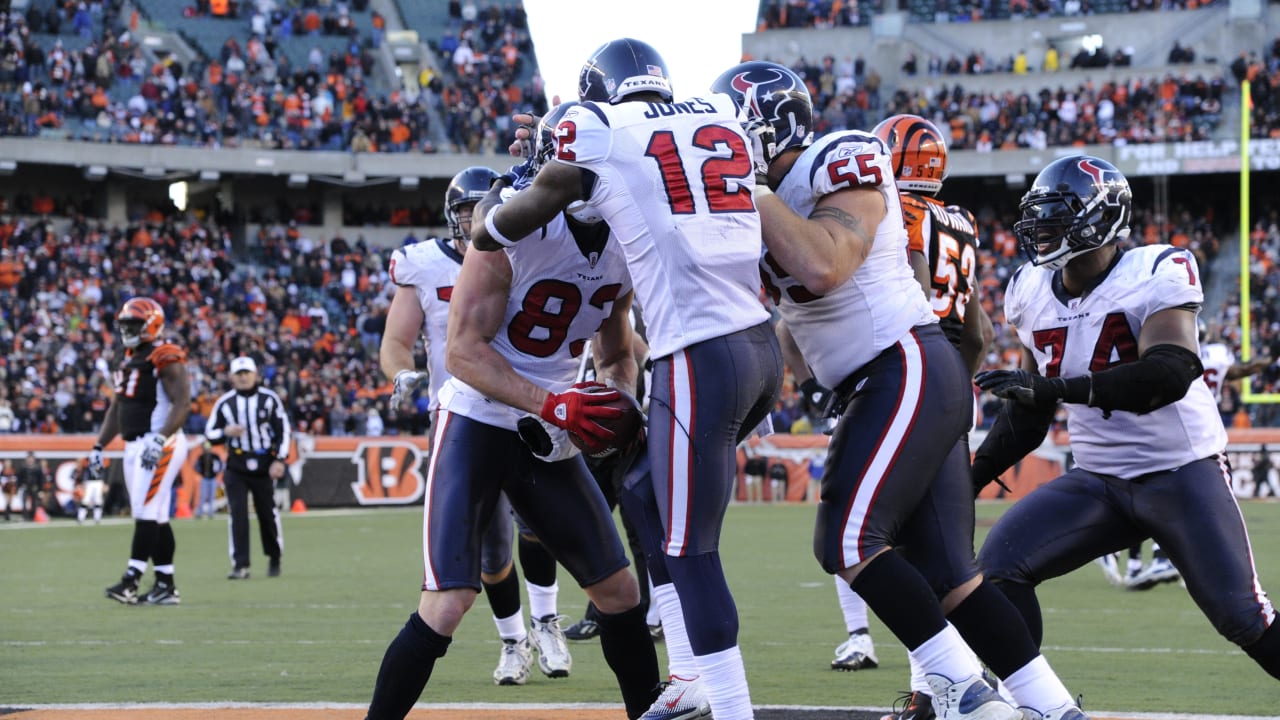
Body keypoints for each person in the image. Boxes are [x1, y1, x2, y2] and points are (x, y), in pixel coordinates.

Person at [715, 60, 1084, 720]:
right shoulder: (756, 198)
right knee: (951, 576)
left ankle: (964, 691)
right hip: (893, 377)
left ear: (763, 126)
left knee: (846, 541)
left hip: (903, 365)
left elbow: (825, 265)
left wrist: (750, 192)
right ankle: (1053, 708)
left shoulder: (841, 154)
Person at [472, 39, 782, 720]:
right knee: (640, 490)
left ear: (597, 88)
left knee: (686, 544)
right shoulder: (719, 113)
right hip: (759, 345)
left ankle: (726, 703)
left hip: (698, 349)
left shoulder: (598, 127)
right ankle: (686, 677)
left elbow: (502, 229)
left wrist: (501, 198)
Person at [362, 118, 663, 720]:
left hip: (551, 427)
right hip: (478, 418)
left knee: (620, 593)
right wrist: (556, 404)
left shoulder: (628, 244)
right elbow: (463, 354)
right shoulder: (513, 231)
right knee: (447, 602)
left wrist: (615, 402)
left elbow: (614, 352)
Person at [972, 154, 1280, 690]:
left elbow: (1171, 370)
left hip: (1179, 473)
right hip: (1099, 481)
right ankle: (1037, 702)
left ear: (1101, 219)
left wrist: (1060, 388)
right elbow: (1030, 411)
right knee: (997, 571)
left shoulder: (1155, 270)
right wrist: (967, 479)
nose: (1041, 230)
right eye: (1038, 216)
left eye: (1057, 216)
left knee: (1242, 617)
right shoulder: (1030, 290)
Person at [381, 165, 572, 687]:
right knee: (491, 548)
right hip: (462, 416)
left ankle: (548, 619)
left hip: (527, 411)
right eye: (464, 214)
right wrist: (401, 374)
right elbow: (396, 341)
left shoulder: (522, 248)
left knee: (538, 532)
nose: (471, 222)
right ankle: (514, 642)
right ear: (451, 218)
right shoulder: (421, 265)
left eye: (477, 211)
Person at [92, 297, 191, 605]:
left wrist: (161, 439)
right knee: (156, 515)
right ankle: (165, 584)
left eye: (134, 325)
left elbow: (182, 403)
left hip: (159, 441)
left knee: (145, 512)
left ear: (151, 325)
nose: (127, 330)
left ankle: (131, 581)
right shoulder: (128, 358)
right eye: (125, 324)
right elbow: (117, 408)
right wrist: (99, 445)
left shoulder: (165, 355)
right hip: (136, 444)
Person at [204, 356, 291, 580]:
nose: (243, 377)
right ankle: (241, 564)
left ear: (256, 375)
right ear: (232, 377)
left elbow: (284, 431)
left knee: (267, 514)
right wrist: (226, 432)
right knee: (238, 514)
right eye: (239, 374)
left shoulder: (269, 400)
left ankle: (274, 557)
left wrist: (279, 460)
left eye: (247, 373)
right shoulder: (225, 402)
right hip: (237, 464)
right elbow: (210, 433)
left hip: (264, 463)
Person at [195, 440, 224, 519]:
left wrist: (217, 472)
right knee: (203, 496)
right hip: (204, 478)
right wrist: (201, 472)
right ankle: (200, 512)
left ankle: (211, 513)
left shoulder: (215, 456)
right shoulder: (201, 457)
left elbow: (221, 465)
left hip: (212, 478)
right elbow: (196, 466)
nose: (207, 450)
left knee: (212, 496)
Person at [77, 452, 108, 524]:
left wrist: (104, 483)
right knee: (86, 499)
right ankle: (80, 517)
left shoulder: (101, 464)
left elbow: (104, 473)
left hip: (98, 482)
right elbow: (85, 473)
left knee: (98, 500)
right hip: (90, 482)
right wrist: (83, 483)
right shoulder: (88, 463)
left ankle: (97, 518)